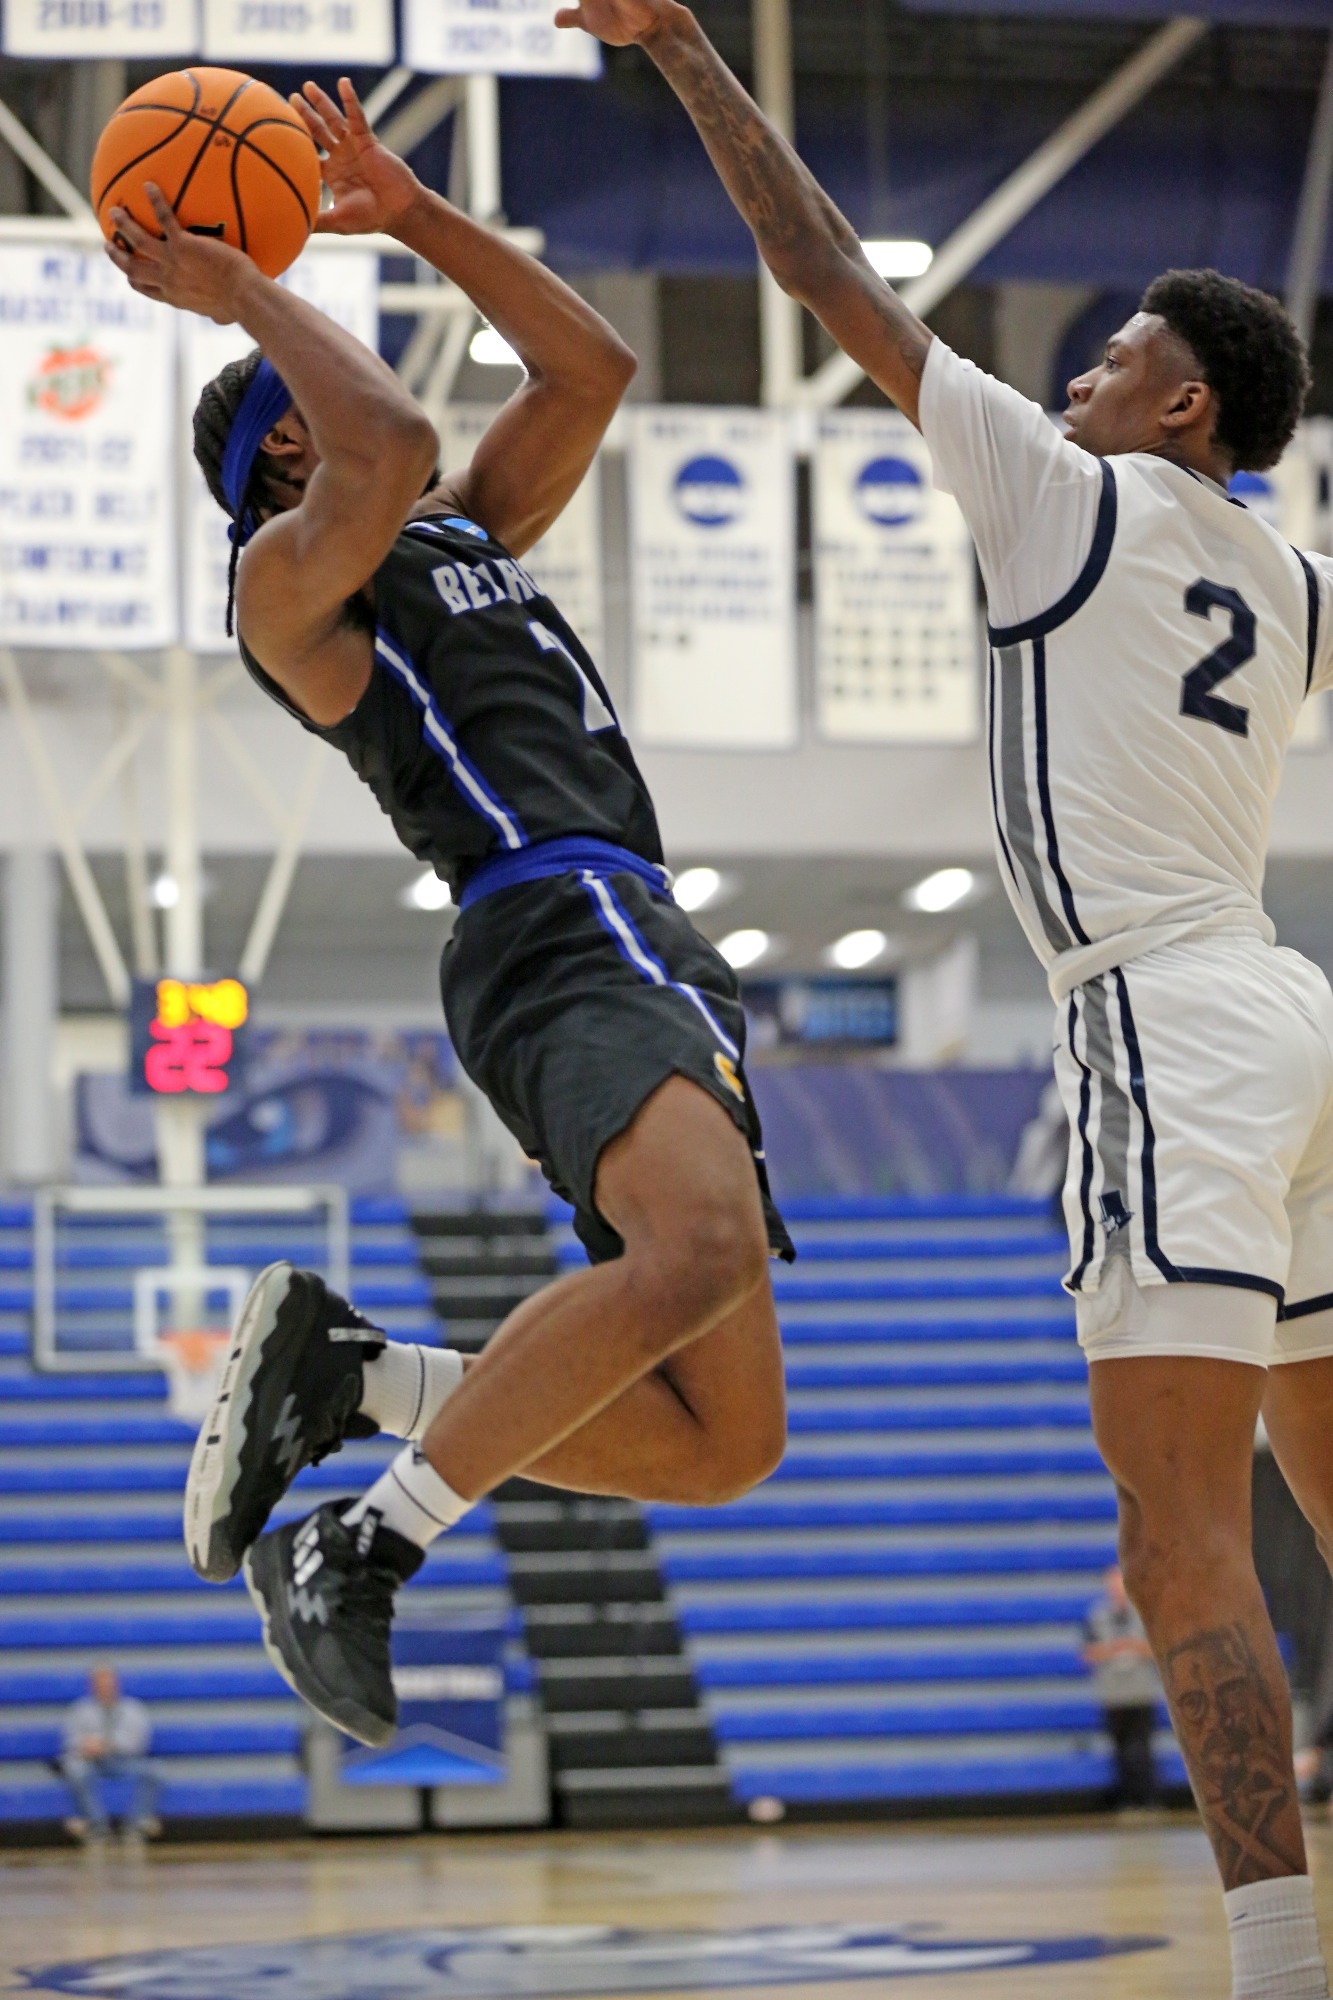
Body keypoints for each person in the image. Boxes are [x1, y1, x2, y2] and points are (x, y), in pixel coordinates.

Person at [557, 3, 1333, 1994]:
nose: (1082, 370)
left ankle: (1270, 1969)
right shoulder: (1295, 578)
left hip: (1163, 1013)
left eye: (1123, 356)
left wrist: (682, 50)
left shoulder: (1072, 494)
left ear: (1184, 416)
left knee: (1179, 1538)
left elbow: (819, 263)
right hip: (1289, 1013)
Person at [106, 78, 792, 1756]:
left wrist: (410, 214)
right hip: (549, 923)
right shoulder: (288, 583)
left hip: (642, 937)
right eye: (306, 386)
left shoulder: (466, 530)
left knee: (724, 1438)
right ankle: (361, 1544)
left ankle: (353, 1378)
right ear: (280, 438)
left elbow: (589, 371)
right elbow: (391, 442)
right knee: (693, 1252)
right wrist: (245, 287)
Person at [1082, 1565, 1161, 1810]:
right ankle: (1127, 1800)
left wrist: (1135, 1647)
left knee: (1143, 1749)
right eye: (1113, 1585)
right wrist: (1112, 1649)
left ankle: (1148, 1799)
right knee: (1120, 1750)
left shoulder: (1145, 1613)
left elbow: (1160, 1649)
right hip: (1112, 1693)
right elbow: (1087, 1653)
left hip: (1140, 1691)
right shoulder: (1097, 1616)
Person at [61, 1666, 160, 1844]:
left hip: (123, 1760)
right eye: (100, 1684)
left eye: (109, 1683)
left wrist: (109, 1745)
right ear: (92, 1686)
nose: (105, 1687)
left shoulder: (133, 1709)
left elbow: (140, 1742)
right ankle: (98, 1825)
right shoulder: (79, 1710)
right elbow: (70, 1741)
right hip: (90, 1761)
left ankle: (136, 1825)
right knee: (76, 1771)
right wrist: (86, 1746)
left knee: (154, 1771)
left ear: (117, 1684)